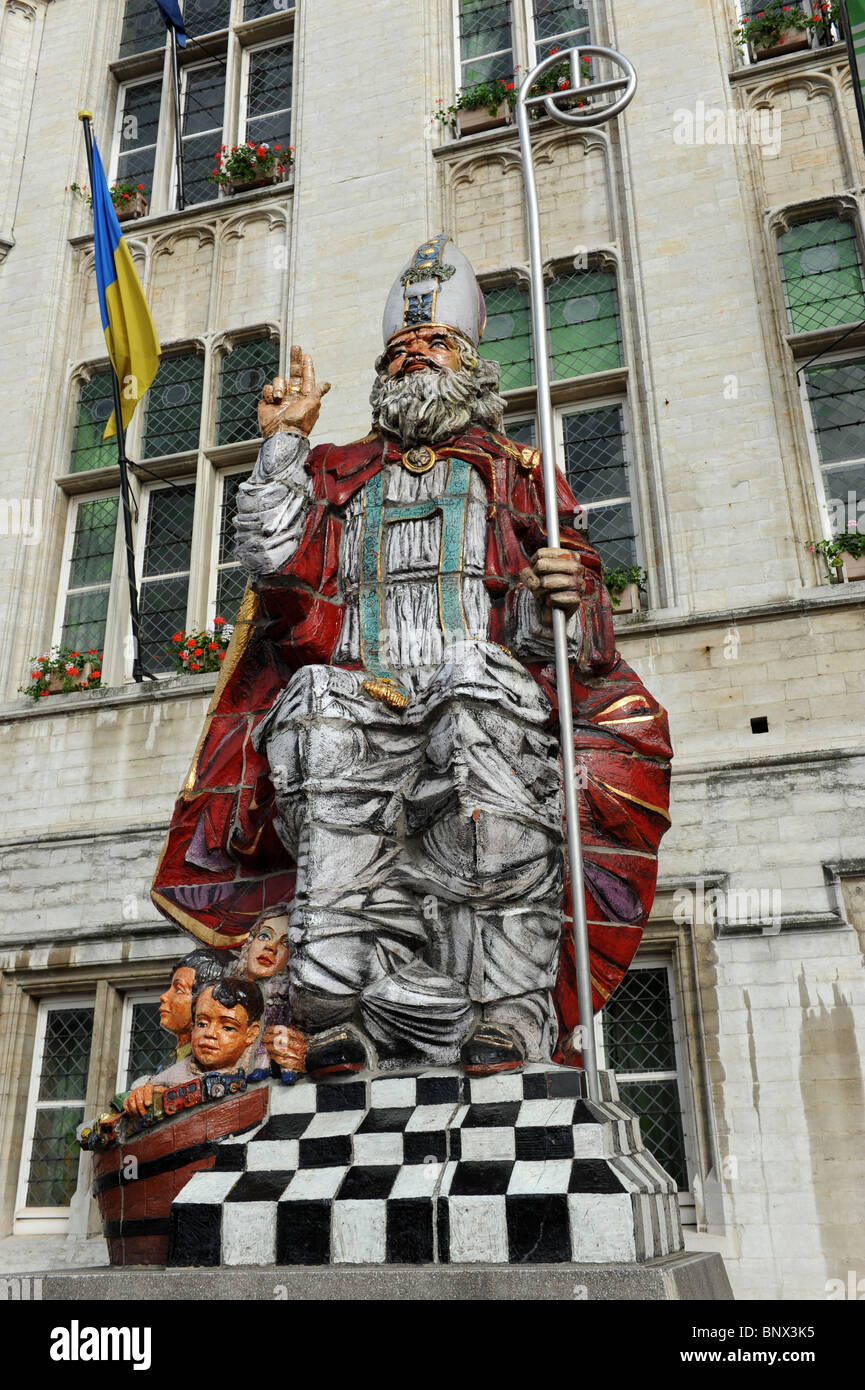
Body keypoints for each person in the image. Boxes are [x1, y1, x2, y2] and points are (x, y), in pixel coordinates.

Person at [152, 235, 672, 1078]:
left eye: (429, 348)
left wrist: (560, 593)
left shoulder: (517, 475)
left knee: (488, 815)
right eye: (397, 352)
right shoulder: (338, 473)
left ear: (470, 368)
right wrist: (282, 445)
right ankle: (342, 1007)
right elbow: (276, 563)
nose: (410, 362)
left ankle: (501, 1012)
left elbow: (563, 638)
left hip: (477, 685)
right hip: (365, 690)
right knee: (319, 729)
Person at [123, 978, 264, 1117]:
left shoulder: (261, 1068)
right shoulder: (166, 1080)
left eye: (227, 1027)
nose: (210, 1033)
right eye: (202, 1024)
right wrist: (140, 1097)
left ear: (251, 1033)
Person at [230, 906, 307, 1080]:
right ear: (251, 941)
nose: (271, 947)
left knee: (280, 1039)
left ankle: (287, 1068)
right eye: (264, 935)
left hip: (282, 1021)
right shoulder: (228, 991)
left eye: (285, 943)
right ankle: (261, 1067)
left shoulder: (285, 983)